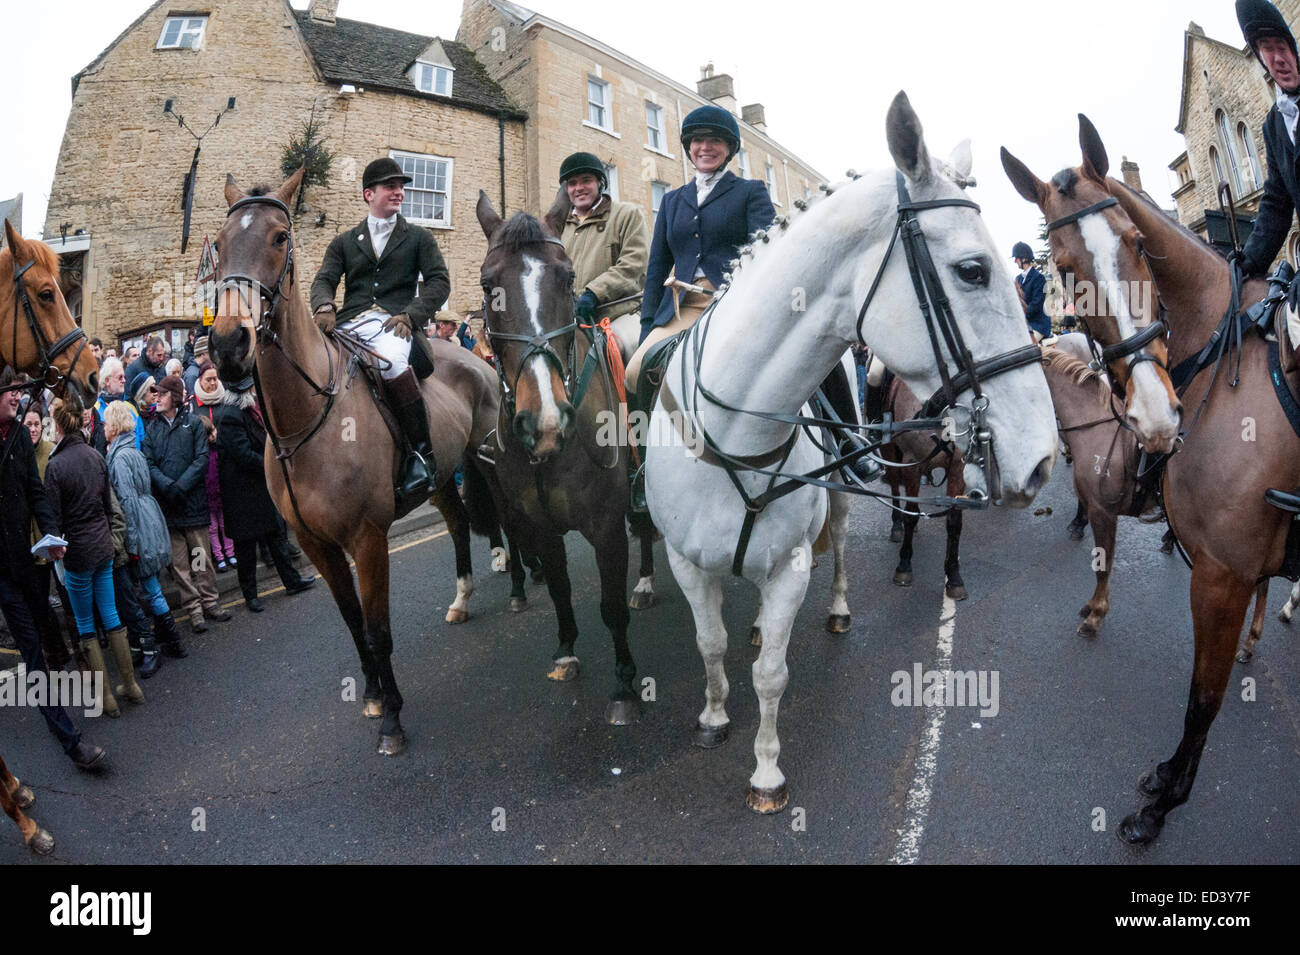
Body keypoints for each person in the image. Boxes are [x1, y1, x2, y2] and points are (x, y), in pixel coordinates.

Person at [310, 156, 450, 508]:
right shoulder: (344, 241)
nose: (399, 192)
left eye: (401, 187)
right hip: (351, 323)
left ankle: (421, 455)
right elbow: (325, 278)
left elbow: (439, 281)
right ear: (368, 194)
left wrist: (413, 314)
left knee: (389, 364)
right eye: (391, 187)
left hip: (395, 323)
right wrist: (324, 306)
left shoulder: (418, 238)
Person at [0, 370, 106, 770]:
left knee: (40, 650)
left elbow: (35, 492)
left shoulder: (16, 437)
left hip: (28, 565)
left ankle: (66, 732)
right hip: (3, 576)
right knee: (32, 654)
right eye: (10, 390)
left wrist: (52, 534)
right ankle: (72, 743)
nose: (18, 397)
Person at [43, 398, 143, 718]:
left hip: (77, 554)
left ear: (58, 426)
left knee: (86, 624)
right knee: (112, 615)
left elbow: (54, 522)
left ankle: (106, 698)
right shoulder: (96, 456)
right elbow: (107, 505)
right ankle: (131, 685)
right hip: (103, 548)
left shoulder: (55, 466)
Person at [214, 377, 315, 611]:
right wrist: (271, 464)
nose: (253, 391)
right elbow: (243, 454)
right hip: (242, 494)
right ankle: (250, 595)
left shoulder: (246, 411)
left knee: (277, 539)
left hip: (258, 489)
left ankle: (292, 581)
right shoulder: (230, 416)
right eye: (249, 388)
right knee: (246, 548)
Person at [143, 374, 231, 635]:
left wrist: (180, 485)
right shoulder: (153, 429)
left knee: (200, 559)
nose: (156, 397)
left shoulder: (193, 424)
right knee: (180, 566)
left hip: (193, 505)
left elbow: (202, 458)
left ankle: (210, 603)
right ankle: (194, 611)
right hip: (169, 509)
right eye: (155, 393)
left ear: (175, 397)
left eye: (161, 393)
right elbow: (148, 463)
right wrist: (168, 486)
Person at [105, 400, 184, 666]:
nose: (104, 428)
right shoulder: (134, 450)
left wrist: (132, 544)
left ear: (114, 426)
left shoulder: (118, 458)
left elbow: (125, 503)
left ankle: (173, 642)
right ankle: (170, 639)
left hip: (139, 523)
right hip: (151, 517)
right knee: (154, 586)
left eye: (106, 423)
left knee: (151, 588)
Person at [557, 151, 649, 343]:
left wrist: (593, 293)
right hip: (569, 318)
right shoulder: (558, 227)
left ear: (600, 182)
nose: (579, 188)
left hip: (619, 313)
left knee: (616, 347)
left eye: (586, 180)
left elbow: (634, 265)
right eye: (572, 183)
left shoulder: (627, 214)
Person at [23, 406, 74, 670]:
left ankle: (81, 648)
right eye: (28, 425)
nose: (33, 429)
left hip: (53, 534)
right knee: (40, 602)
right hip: (32, 542)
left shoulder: (49, 453)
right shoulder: (18, 453)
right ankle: (55, 651)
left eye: (36, 425)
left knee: (67, 595)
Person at [191, 362, 236, 572]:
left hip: (224, 463)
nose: (212, 382)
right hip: (205, 468)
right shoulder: (193, 405)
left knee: (225, 515)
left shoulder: (225, 400)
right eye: (208, 379)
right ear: (200, 379)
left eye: (215, 379)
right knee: (212, 520)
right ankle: (218, 555)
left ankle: (231, 552)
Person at [94, 356, 146, 453]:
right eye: (120, 377)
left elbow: (143, 441)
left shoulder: (131, 408)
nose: (124, 381)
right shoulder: (95, 410)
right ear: (107, 381)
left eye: (124, 377)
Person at [1013, 242, 1050, 342]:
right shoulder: (1018, 279)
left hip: (1038, 325)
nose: (1015, 261)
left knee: (1026, 345)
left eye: (1016, 258)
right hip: (1025, 324)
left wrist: (1022, 316)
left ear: (1024, 258)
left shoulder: (1039, 278)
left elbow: (1036, 304)